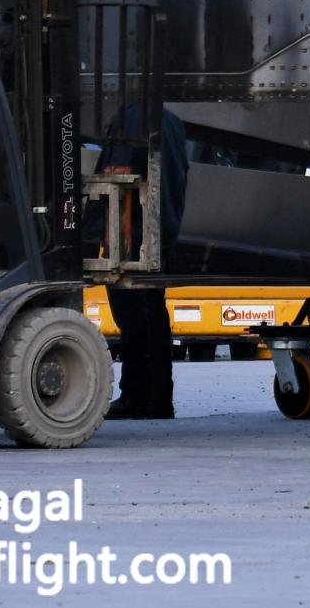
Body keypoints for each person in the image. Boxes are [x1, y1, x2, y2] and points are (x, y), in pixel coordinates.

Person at [102, 107, 190, 420]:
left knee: (133, 315)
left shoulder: (131, 121)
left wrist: (92, 229)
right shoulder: (173, 122)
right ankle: (158, 397)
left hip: (134, 232)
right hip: (163, 227)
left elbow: (114, 173)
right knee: (153, 311)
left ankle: (137, 396)